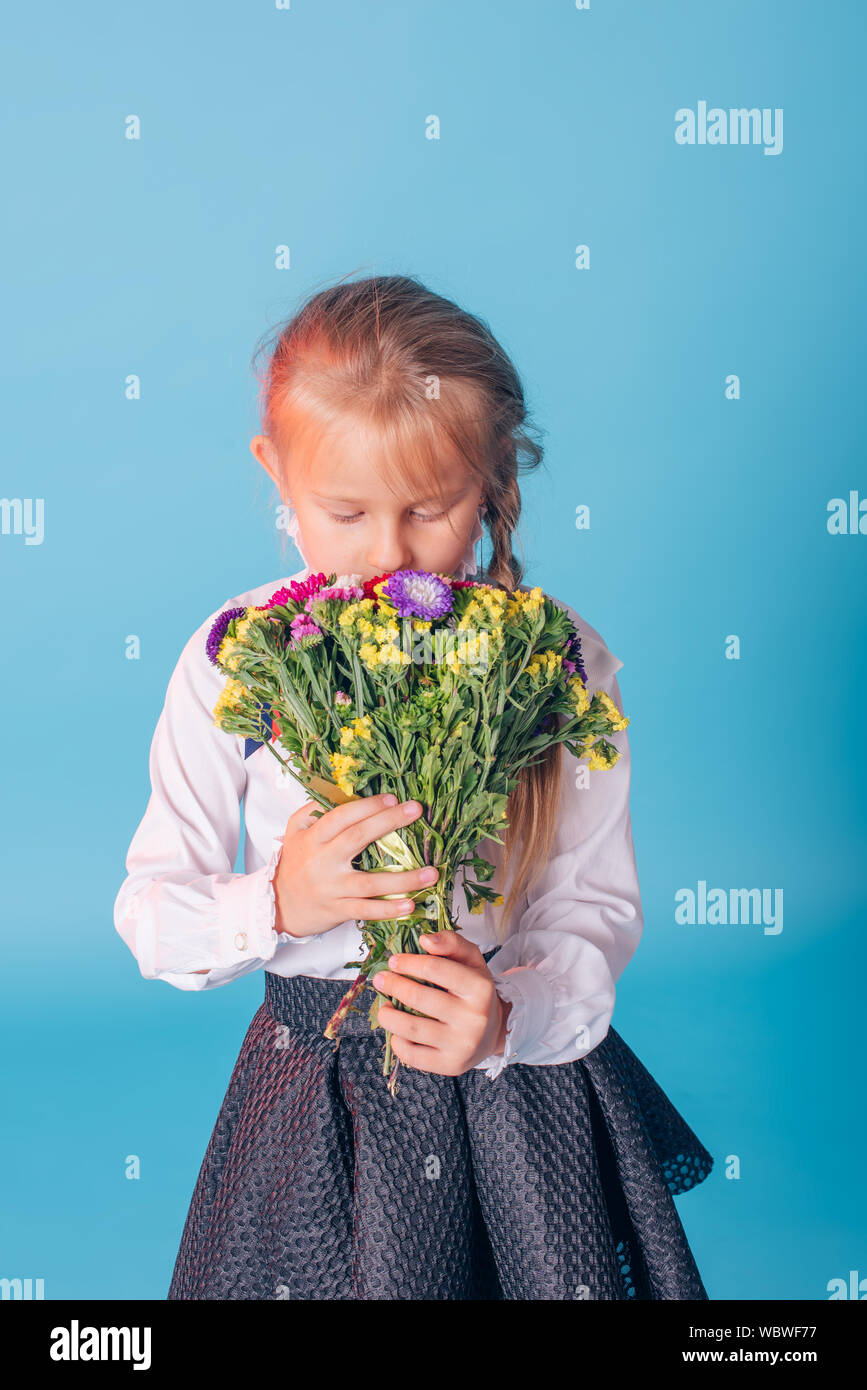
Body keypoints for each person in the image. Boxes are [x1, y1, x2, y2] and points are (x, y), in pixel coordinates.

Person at [113, 273, 713, 1300]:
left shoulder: (558, 662)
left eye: (431, 511)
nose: (387, 558)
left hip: (518, 1096)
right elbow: (150, 913)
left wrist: (506, 1021)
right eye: (343, 511)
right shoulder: (236, 659)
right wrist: (277, 902)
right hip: (320, 1099)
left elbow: (591, 908)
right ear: (276, 475)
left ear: (489, 483)